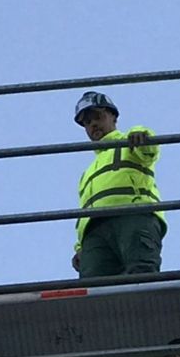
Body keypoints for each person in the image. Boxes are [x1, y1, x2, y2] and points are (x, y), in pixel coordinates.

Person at [71, 90, 164, 277]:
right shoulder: (88, 173)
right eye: (87, 122)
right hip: (95, 229)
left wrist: (141, 134)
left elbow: (149, 149)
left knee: (141, 273)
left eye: (97, 117)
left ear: (113, 116)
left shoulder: (128, 142)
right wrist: (80, 246)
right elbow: (84, 210)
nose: (93, 124)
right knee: (94, 285)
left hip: (133, 215)